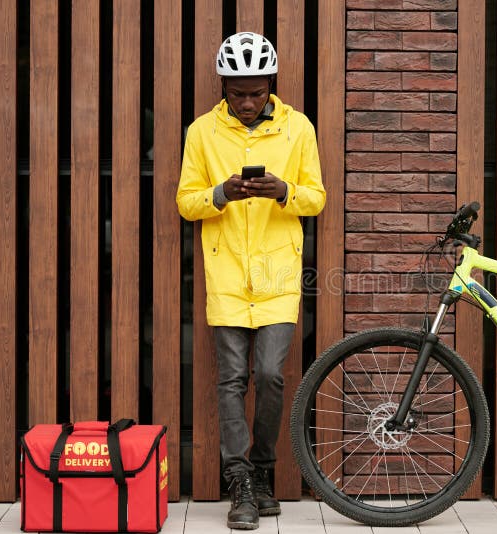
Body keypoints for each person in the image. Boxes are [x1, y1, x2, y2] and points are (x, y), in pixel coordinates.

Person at [176, 31, 325, 530]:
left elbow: (317, 197)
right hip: (226, 276)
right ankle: (240, 481)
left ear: (270, 86)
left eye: (256, 92)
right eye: (236, 92)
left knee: (269, 376)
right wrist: (221, 193)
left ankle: (262, 470)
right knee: (231, 380)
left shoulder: (297, 128)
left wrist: (285, 191)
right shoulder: (201, 132)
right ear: (223, 86)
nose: (246, 102)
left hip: (278, 273)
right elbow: (186, 200)